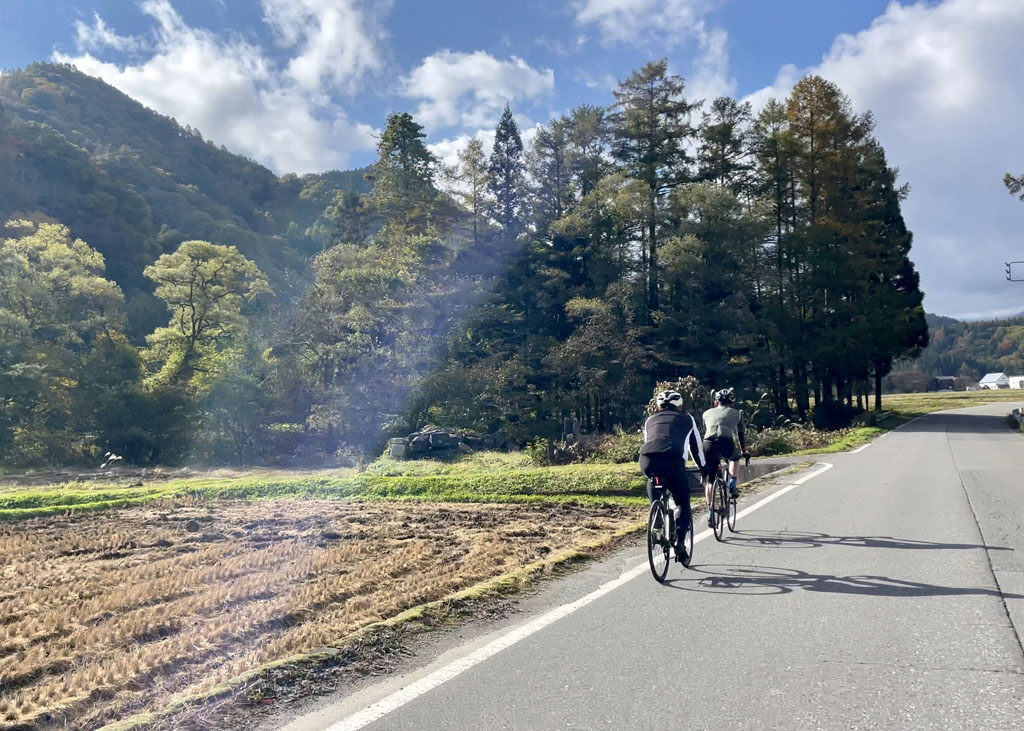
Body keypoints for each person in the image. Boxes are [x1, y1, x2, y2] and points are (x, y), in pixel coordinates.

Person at [639, 390, 706, 562]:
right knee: (683, 502)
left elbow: (649, 441)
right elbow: (696, 449)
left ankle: (657, 520)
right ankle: (681, 542)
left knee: (654, 483)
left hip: (648, 461)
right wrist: (704, 468)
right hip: (673, 462)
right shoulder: (687, 419)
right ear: (679, 406)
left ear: (658, 406)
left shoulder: (649, 420)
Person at [701, 387, 748, 525]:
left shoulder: (706, 413)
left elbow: (707, 430)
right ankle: (733, 484)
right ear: (731, 402)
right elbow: (741, 435)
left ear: (716, 401)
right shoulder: (738, 414)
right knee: (734, 458)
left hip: (708, 443)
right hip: (726, 442)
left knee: (710, 480)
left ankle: (710, 510)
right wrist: (744, 451)